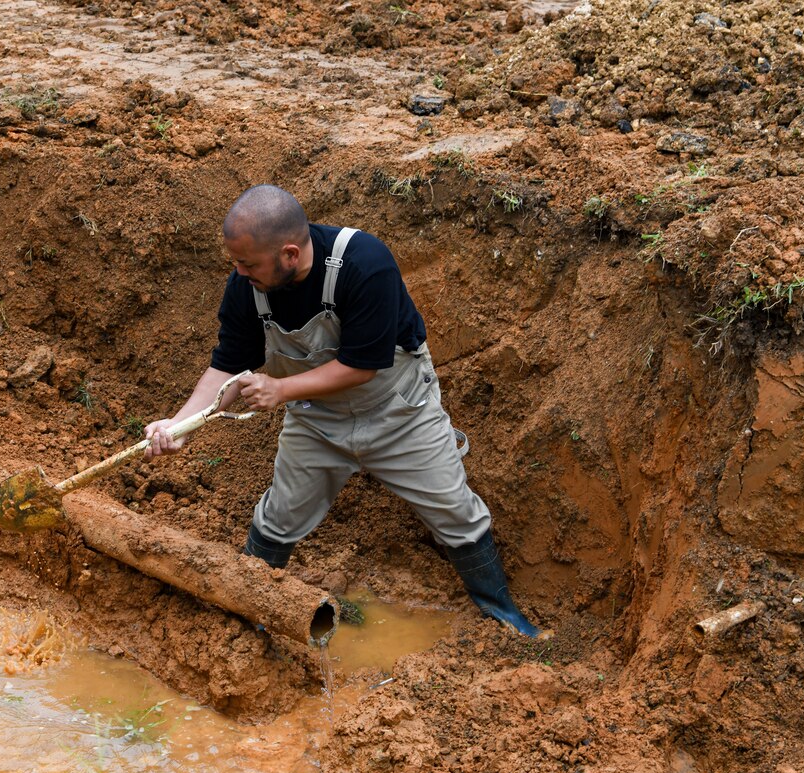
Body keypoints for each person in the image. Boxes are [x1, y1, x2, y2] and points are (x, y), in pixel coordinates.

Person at [143, 185, 540, 637]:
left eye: (248, 263)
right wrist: (181, 425)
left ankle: (503, 616)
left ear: (290, 254)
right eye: (236, 261)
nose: (238, 272)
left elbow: (363, 366)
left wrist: (281, 388)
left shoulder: (364, 264)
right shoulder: (246, 286)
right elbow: (228, 365)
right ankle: (249, 621)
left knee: (456, 511)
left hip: (400, 412)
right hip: (316, 419)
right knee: (278, 517)